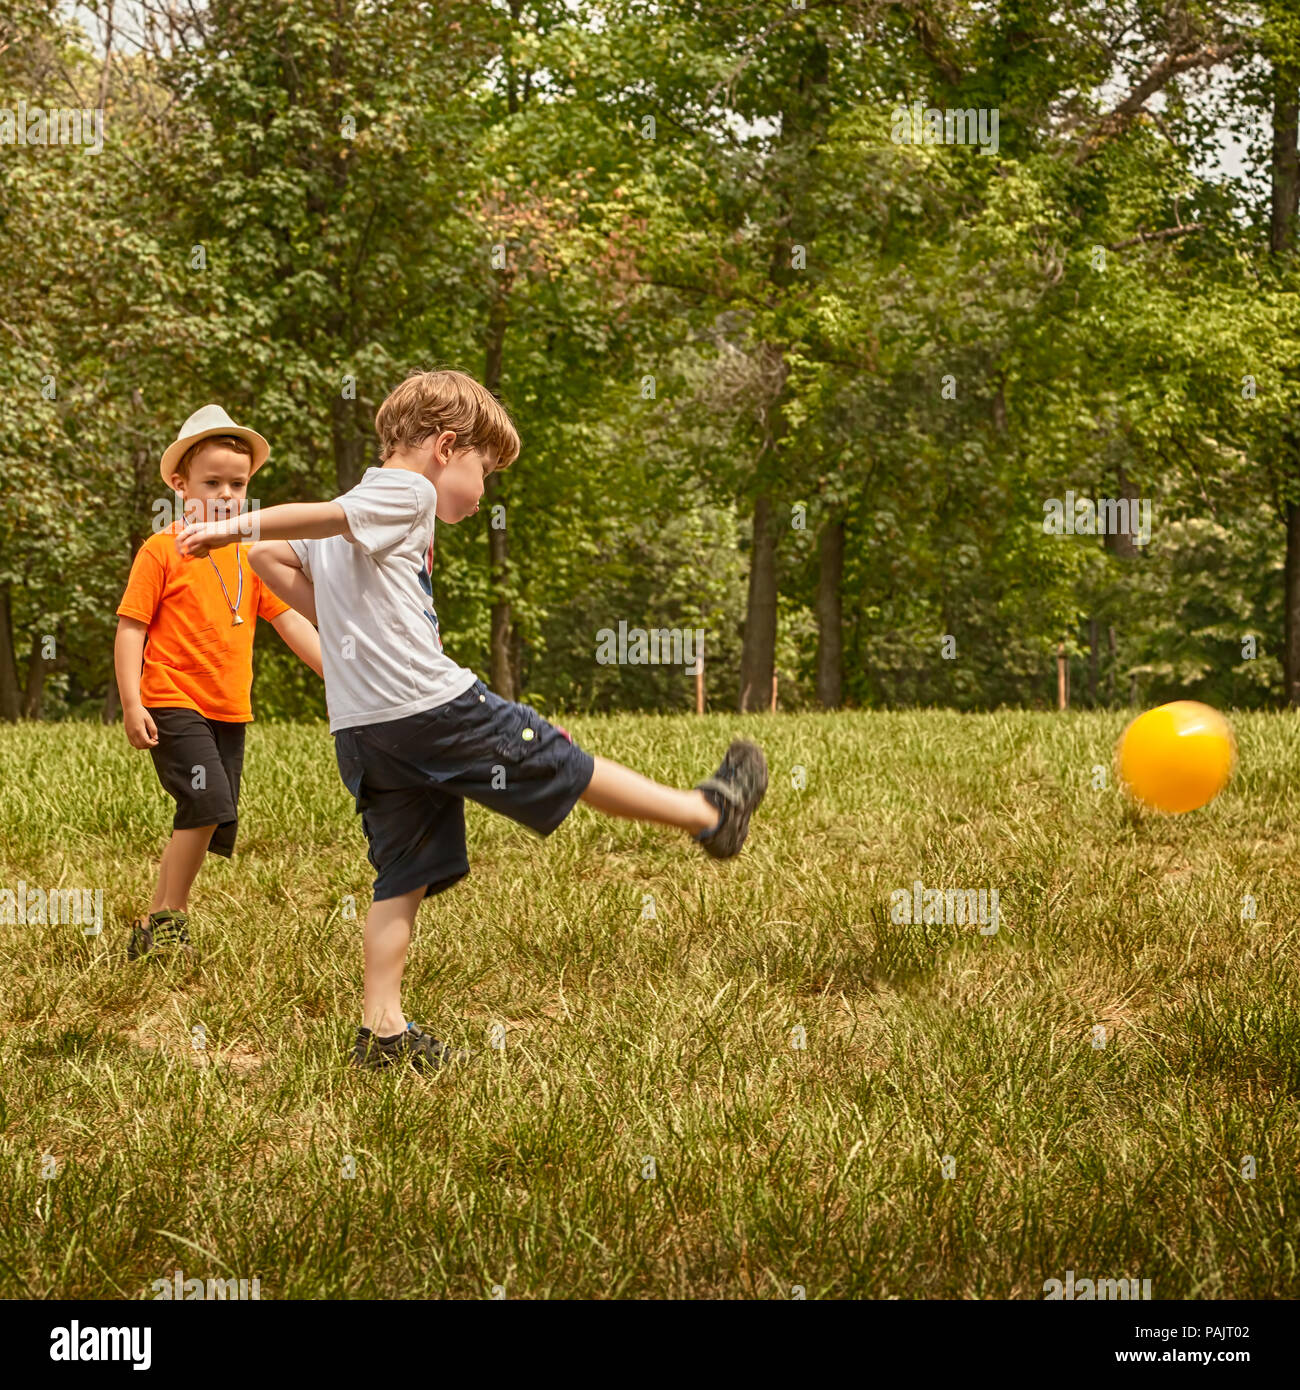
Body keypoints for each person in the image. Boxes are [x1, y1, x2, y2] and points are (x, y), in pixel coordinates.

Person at [176, 371, 766, 1070]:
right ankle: (707, 812)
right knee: (554, 756)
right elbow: (279, 533)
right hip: (432, 708)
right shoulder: (408, 489)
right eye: (484, 471)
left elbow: (273, 557)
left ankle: (383, 1031)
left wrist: (341, 628)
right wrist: (233, 524)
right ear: (446, 446)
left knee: (402, 871)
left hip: (364, 732)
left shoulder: (357, 502)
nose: (484, 492)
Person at [115, 405, 323, 959]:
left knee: (207, 815)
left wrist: (340, 670)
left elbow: (291, 622)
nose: (228, 494)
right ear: (182, 486)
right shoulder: (161, 550)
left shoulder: (252, 557)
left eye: (238, 483)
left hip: (229, 710)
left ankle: (149, 922)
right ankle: (171, 918)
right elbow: (130, 629)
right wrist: (133, 703)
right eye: (213, 482)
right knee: (207, 803)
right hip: (171, 699)